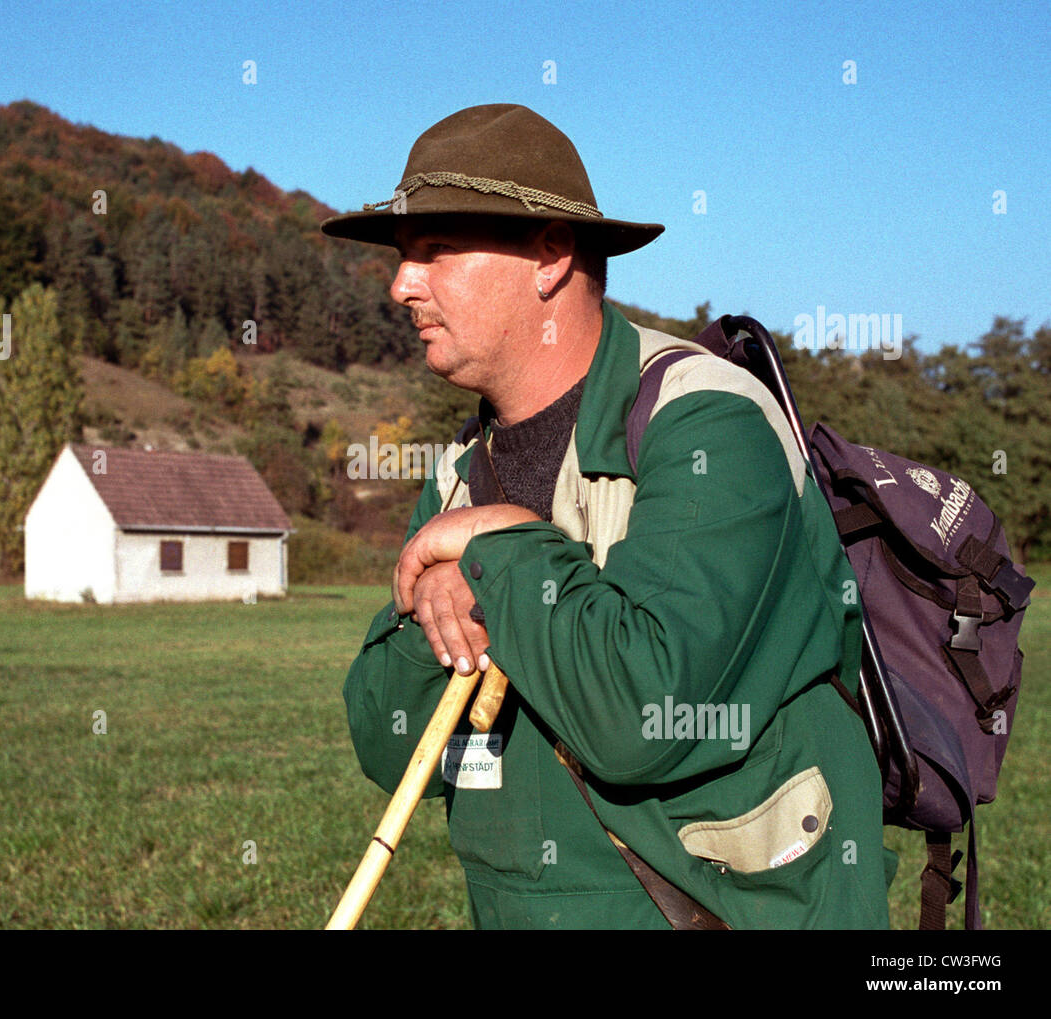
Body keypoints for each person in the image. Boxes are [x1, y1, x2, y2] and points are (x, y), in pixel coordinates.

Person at [321, 103, 893, 929]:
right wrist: (436, 608)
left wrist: (495, 548)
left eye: (434, 250)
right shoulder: (455, 471)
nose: (401, 283)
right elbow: (388, 742)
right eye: (404, 256)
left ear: (550, 254)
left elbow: (640, 713)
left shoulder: (709, 422)